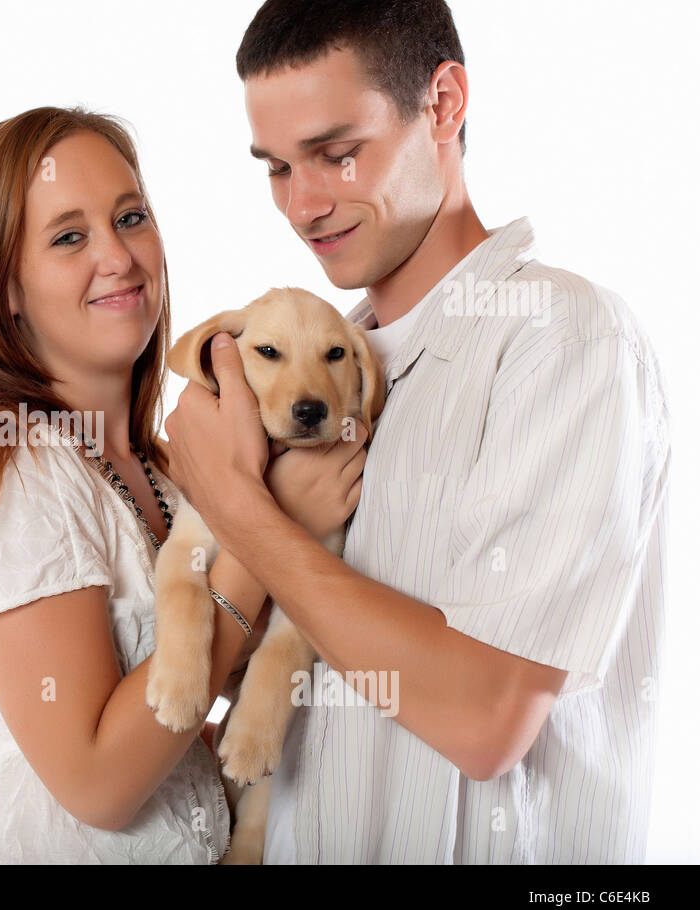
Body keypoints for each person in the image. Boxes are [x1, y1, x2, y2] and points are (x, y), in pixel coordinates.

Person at [164, 0, 671, 864]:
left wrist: (244, 510)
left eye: (336, 152)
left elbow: (486, 717)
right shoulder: (316, 365)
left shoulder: (562, 339)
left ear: (443, 104)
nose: (304, 204)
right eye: (278, 167)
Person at [0, 106, 357, 863]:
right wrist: (267, 530)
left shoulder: (160, 468)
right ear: (4, 288)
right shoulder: (11, 473)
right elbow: (98, 782)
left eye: (130, 217)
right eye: (70, 236)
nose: (120, 256)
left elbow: (185, 721)